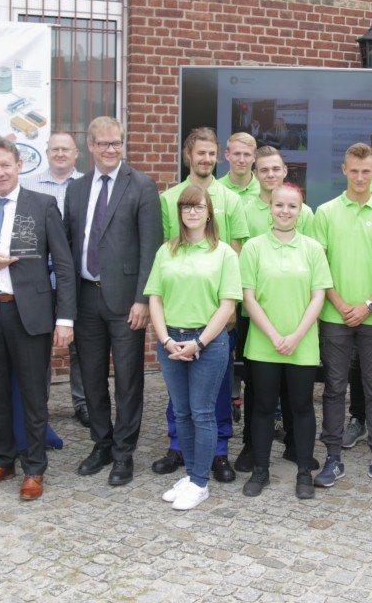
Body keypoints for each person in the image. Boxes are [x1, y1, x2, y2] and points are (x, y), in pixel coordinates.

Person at [0, 137, 75, 502]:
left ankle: (34, 467)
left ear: (19, 166)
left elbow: (63, 264)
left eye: (5, 165)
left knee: (32, 394)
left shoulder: (41, 205)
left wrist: (65, 319)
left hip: (31, 312)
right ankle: (1, 461)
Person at [64, 117, 162, 487]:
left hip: (125, 304)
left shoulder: (141, 185)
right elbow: (69, 246)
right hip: (86, 299)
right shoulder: (76, 189)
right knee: (90, 378)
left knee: (127, 380)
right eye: (103, 143)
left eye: (116, 143)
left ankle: (124, 453)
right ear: (89, 146)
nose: (110, 149)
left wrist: (142, 300)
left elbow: (151, 248)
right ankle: (101, 444)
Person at [154, 128, 247, 483]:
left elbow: (236, 253)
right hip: (179, 312)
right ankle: (178, 445)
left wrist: (228, 310)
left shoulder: (231, 199)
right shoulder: (169, 199)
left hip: (217, 314)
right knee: (180, 390)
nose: (206, 159)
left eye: (212, 153)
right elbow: (167, 252)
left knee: (216, 387)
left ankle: (219, 451)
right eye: (200, 153)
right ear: (187, 156)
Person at [311, 143, 372, 492]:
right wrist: (340, 304)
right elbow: (320, 267)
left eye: (368, 171)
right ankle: (333, 458)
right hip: (335, 317)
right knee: (334, 388)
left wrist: (368, 305)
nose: (362, 177)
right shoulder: (326, 213)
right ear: (344, 171)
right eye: (355, 171)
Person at [145, 185, 241, 510]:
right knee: (182, 412)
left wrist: (199, 342)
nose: (192, 212)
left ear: (209, 211)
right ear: (180, 213)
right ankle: (190, 475)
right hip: (171, 340)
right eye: (186, 207)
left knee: (202, 412)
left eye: (198, 207)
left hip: (208, 342)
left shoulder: (224, 253)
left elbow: (227, 305)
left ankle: (200, 482)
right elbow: (155, 298)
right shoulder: (166, 251)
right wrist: (167, 339)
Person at [239, 183, 331, 499]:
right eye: (279, 205)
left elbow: (319, 296)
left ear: (301, 210)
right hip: (264, 343)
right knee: (263, 407)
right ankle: (261, 471)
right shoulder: (253, 247)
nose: (285, 211)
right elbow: (248, 297)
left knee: (302, 406)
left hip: (302, 343)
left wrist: (295, 336)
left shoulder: (313, 249)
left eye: (292, 206)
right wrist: (276, 336)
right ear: (271, 208)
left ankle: (304, 472)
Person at [232, 146, 317, 475]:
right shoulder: (246, 208)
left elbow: (309, 259)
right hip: (255, 309)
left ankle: (296, 444)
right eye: (263, 169)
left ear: (285, 172)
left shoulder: (304, 212)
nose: (270, 174)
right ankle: (253, 446)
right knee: (256, 384)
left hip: (295, 309)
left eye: (275, 169)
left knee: (295, 388)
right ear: (256, 173)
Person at [28, 132, 87, 428]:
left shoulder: (87, 186)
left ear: (76, 154)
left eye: (66, 149)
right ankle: (39, 406)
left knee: (79, 347)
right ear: (47, 152)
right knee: (38, 347)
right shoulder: (28, 186)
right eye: (55, 149)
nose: (60, 153)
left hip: (76, 278)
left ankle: (82, 403)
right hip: (38, 279)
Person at [221, 132, 260, 199]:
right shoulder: (215, 189)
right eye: (237, 154)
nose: (241, 160)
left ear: (254, 157)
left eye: (247, 154)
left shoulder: (264, 190)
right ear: (227, 155)